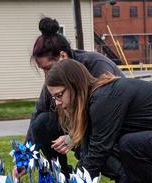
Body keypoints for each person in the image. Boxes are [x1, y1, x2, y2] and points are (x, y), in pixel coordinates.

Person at [26, 17, 123, 168]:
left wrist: (73, 137)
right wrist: (25, 155)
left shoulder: (97, 66)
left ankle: (88, 178)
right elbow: (39, 113)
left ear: (63, 56)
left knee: (91, 150)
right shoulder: (55, 78)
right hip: (80, 127)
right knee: (42, 123)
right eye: (43, 70)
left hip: (110, 127)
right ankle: (61, 178)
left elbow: (105, 114)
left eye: (48, 69)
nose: (46, 76)